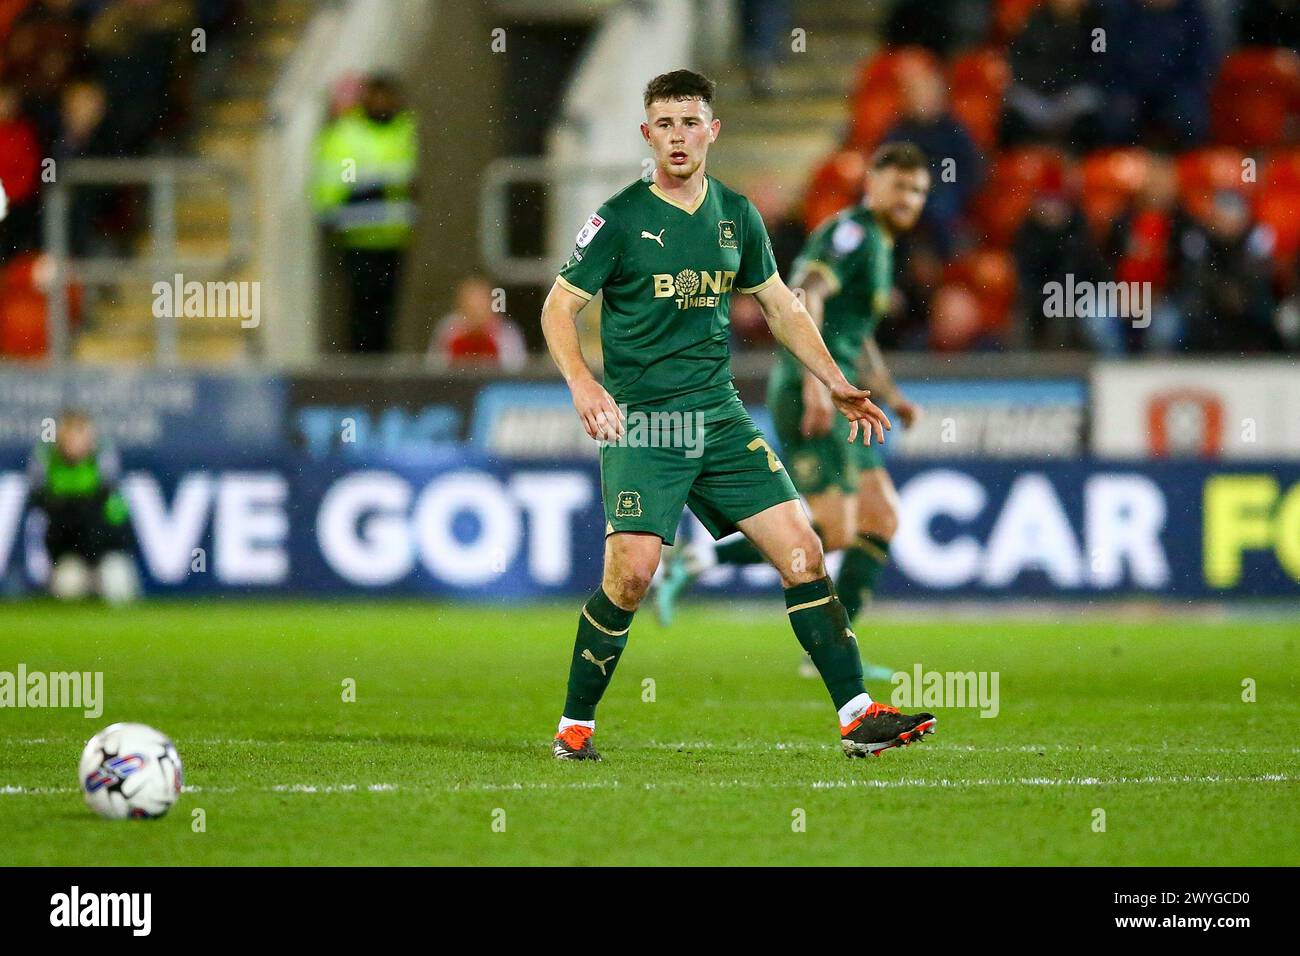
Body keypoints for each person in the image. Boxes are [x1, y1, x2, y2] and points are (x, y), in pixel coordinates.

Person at [541, 70, 935, 762]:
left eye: (690, 122)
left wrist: (837, 382)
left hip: (719, 419)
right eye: (664, 124)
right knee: (631, 575)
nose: (678, 136)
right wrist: (582, 383)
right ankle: (576, 725)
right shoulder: (619, 218)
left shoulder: (737, 216)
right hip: (647, 425)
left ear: (712, 131)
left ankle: (856, 714)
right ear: (647, 135)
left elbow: (783, 307)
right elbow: (558, 307)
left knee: (804, 550)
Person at [654, 144, 933, 683]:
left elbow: (854, 331)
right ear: (871, 181)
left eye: (918, 191)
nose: (909, 200)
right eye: (899, 186)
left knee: (880, 519)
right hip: (815, 394)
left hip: (846, 394)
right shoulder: (849, 234)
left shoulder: (877, 241)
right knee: (834, 526)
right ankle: (697, 561)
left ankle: (827, 648)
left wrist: (891, 394)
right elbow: (805, 295)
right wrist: (813, 383)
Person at [312, 74, 418, 353]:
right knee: (360, 310)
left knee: (386, 312)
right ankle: (361, 369)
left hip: (393, 237)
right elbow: (328, 188)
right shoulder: (346, 132)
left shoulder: (404, 128)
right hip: (357, 236)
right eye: (377, 96)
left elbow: (409, 181)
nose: (383, 103)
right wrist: (361, 194)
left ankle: (380, 368)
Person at [27, 410, 140, 604]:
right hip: (71, 558)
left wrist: (96, 542)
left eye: (81, 434)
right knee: (68, 584)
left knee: (117, 580)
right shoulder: (49, 475)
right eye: (70, 434)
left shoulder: (105, 478)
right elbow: (46, 531)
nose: (76, 441)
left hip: (105, 557)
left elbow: (124, 531)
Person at [427, 276, 527, 371]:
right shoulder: (449, 329)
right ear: (460, 306)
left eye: (481, 305)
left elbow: (515, 371)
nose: (476, 313)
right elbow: (435, 369)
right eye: (471, 307)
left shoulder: (506, 332)